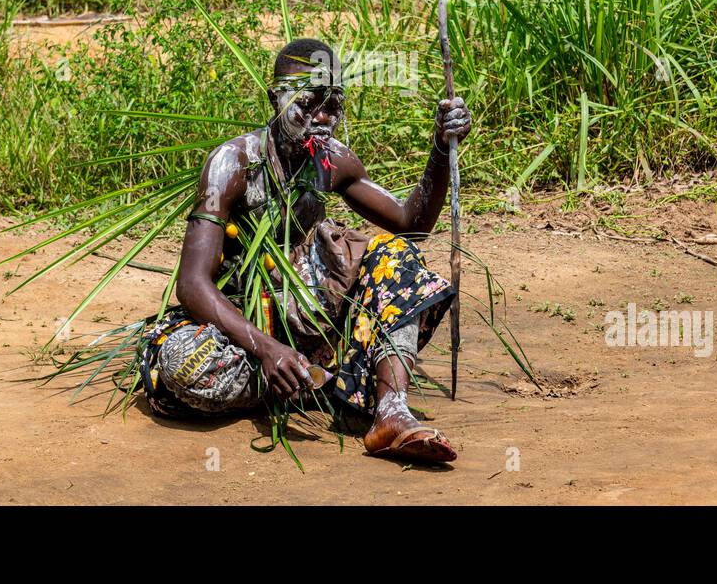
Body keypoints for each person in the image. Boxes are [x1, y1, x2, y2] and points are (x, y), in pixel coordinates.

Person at [139, 38, 470, 463]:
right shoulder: (233, 163)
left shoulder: (333, 161)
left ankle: (390, 410)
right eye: (310, 102)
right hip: (244, 324)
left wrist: (441, 149)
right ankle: (312, 379)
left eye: (334, 105)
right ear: (275, 98)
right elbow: (192, 284)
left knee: (395, 256)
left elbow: (412, 224)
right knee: (184, 365)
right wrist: (267, 350)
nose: (322, 117)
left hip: (312, 315)